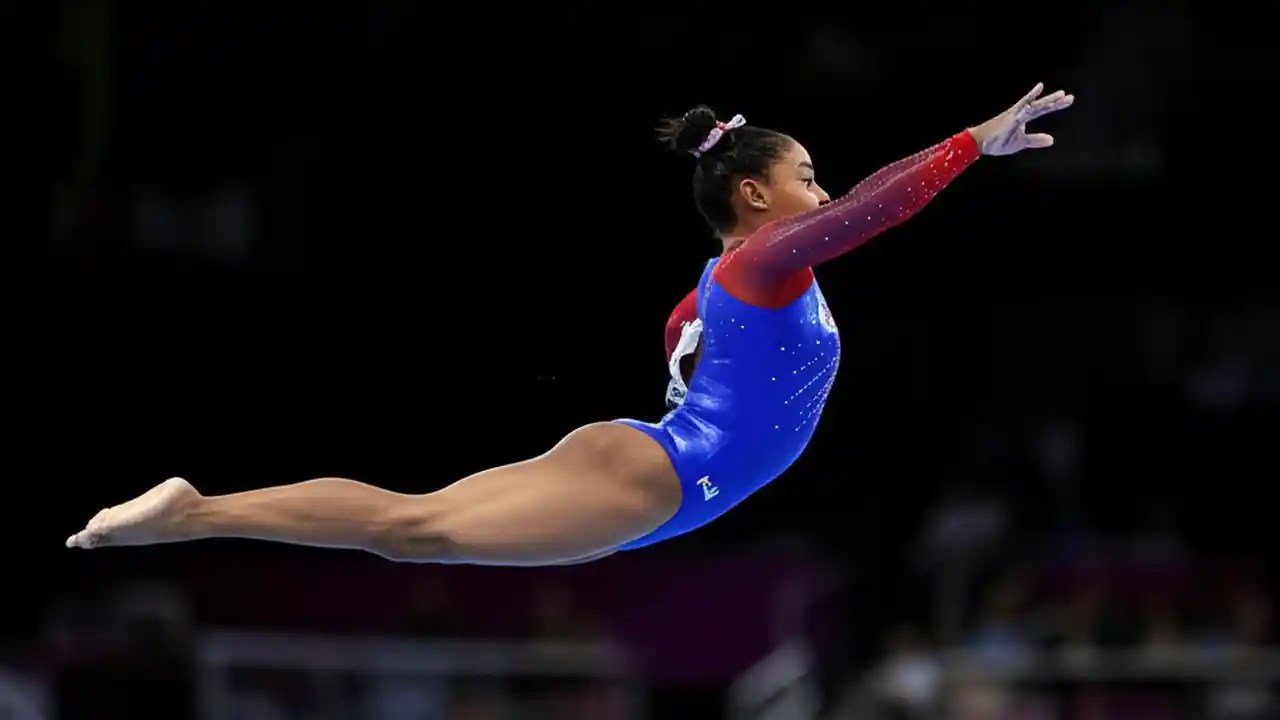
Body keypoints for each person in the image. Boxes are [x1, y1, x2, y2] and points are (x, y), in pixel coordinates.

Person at [66, 83, 1073, 566]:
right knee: (416, 533)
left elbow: (693, 330)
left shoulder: (730, 281)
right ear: (753, 195)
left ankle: (196, 511)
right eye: (804, 177)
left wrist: (693, 347)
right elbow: (872, 208)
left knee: (413, 525)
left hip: (653, 461)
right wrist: (970, 143)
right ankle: (193, 512)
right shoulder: (762, 262)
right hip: (661, 477)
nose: (820, 194)